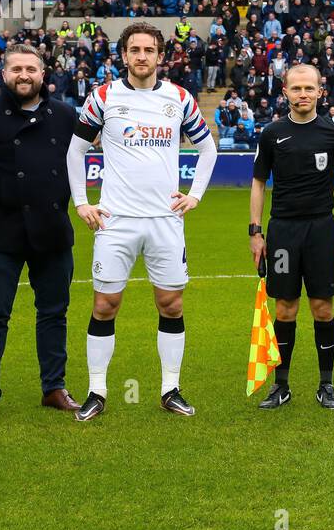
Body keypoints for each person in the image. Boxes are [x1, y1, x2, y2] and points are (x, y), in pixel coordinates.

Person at [65, 23, 219, 421]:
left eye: (149, 50)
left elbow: (208, 149)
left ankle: (170, 389)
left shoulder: (179, 99)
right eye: (134, 49)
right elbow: (75, 150)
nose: (142, 56)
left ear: (160, 56)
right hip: (115, 221)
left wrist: (195, 194)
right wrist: (82, 202)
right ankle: (96, 391)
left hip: (165, 221)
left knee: (171, 304)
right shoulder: (103, 97)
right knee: (104, 305)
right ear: (124, 55)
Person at [0, 44, 79, 424]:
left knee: (54, 313)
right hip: (0, 235)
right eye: (16, 69)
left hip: (53, 231)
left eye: (31, 68)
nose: (24, 75)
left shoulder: (64, 115)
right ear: (4, 74)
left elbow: (75, 171)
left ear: (43, 74)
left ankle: (54, 387)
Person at [249, 64, 334, 409]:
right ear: (284, 92)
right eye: (296, 89)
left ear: (320, 91)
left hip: (321, 230)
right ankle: (281, 386)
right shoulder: (271, 134)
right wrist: (256, 231)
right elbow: (258, 183)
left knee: (323, 308)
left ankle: (326, 385)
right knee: (285, 308)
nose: (302, 95)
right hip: (282, 230)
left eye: (308, 89)